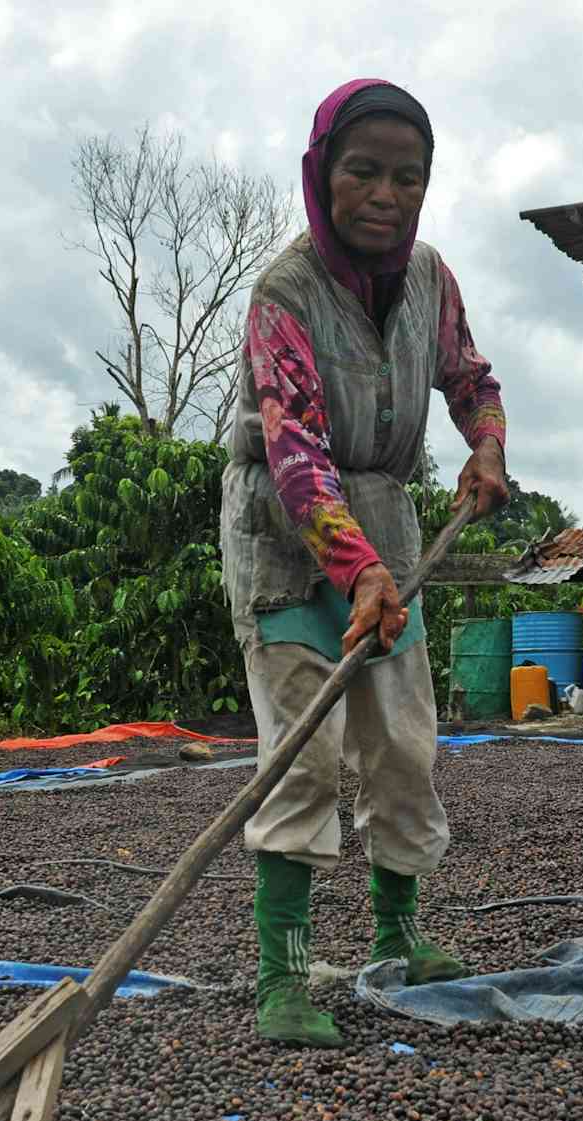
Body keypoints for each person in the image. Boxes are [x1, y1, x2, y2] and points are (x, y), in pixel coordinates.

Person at [221, 78, 511, 1048]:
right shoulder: (285, 294)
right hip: (286, 535)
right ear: (322, 175)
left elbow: (470, 379)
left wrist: (487, 445)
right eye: (364, 172)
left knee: (401, 743)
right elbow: (295, 450)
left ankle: (400, 933)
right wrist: (356, 571)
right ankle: (285, 977)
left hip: (386, 519)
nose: (386, 194)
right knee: (303, 755)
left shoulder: (430, 278)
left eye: (408, 177)